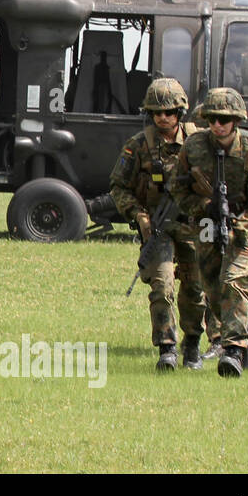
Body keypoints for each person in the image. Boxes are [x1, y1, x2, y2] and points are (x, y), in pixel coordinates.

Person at [170, 87, 248, 378]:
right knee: (213, 290)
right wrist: (204, 205)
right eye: (212, 119)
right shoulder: (193, 147)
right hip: (205, 224)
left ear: (236, 121)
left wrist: (239, 226)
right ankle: (246, 328)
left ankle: (233, 351)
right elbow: (178, 189)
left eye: (224, 119)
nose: (217, 125)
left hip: (247, 226)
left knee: (234, 279)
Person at [108, 78, 206, 371]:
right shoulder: (139, 146)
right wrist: (139, 215)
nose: (162, 118)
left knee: (195, 288)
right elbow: (118, 187)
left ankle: (192, 345)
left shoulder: (198, 142)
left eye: (169, 112)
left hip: (192, 226)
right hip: (158, 228)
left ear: (181, 112)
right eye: (156, 112)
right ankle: (166, 347)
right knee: (162, 285)